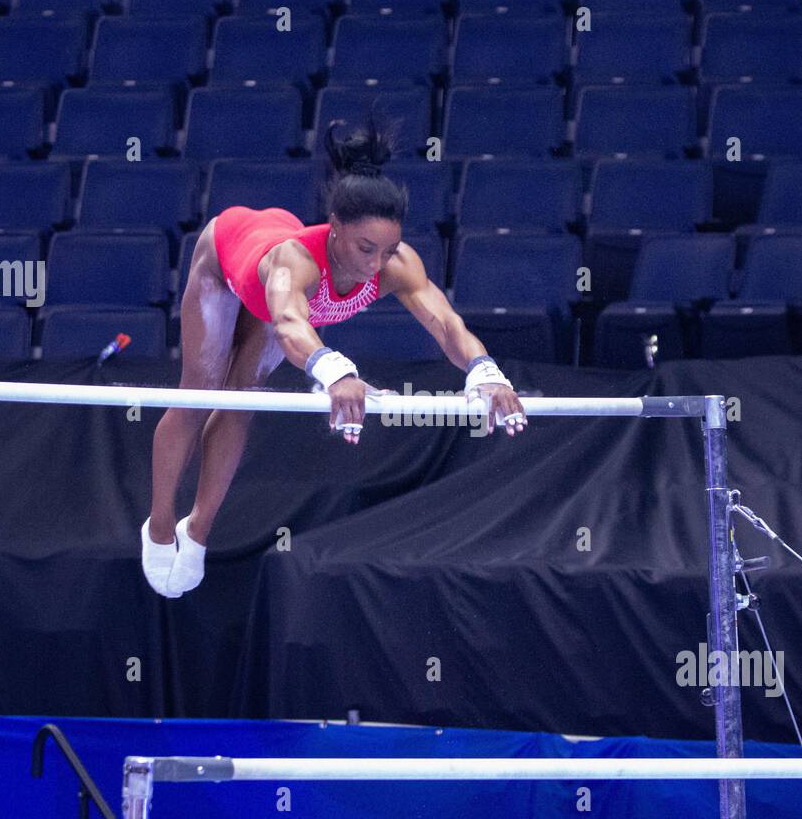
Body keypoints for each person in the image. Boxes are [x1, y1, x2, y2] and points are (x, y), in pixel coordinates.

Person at [142, 117, 528, 597]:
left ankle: (196, 531)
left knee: (244, 396)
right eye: (366, 248)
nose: (375, 264)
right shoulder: (296, 261)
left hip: (277, 282)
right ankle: (159, 526)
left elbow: (447, 324)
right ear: (336, 227)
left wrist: (484, 371)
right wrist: (336, 371)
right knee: (201, 391)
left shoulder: (398, 264)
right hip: (228, 255)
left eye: (387, 251)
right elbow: (288, 324)